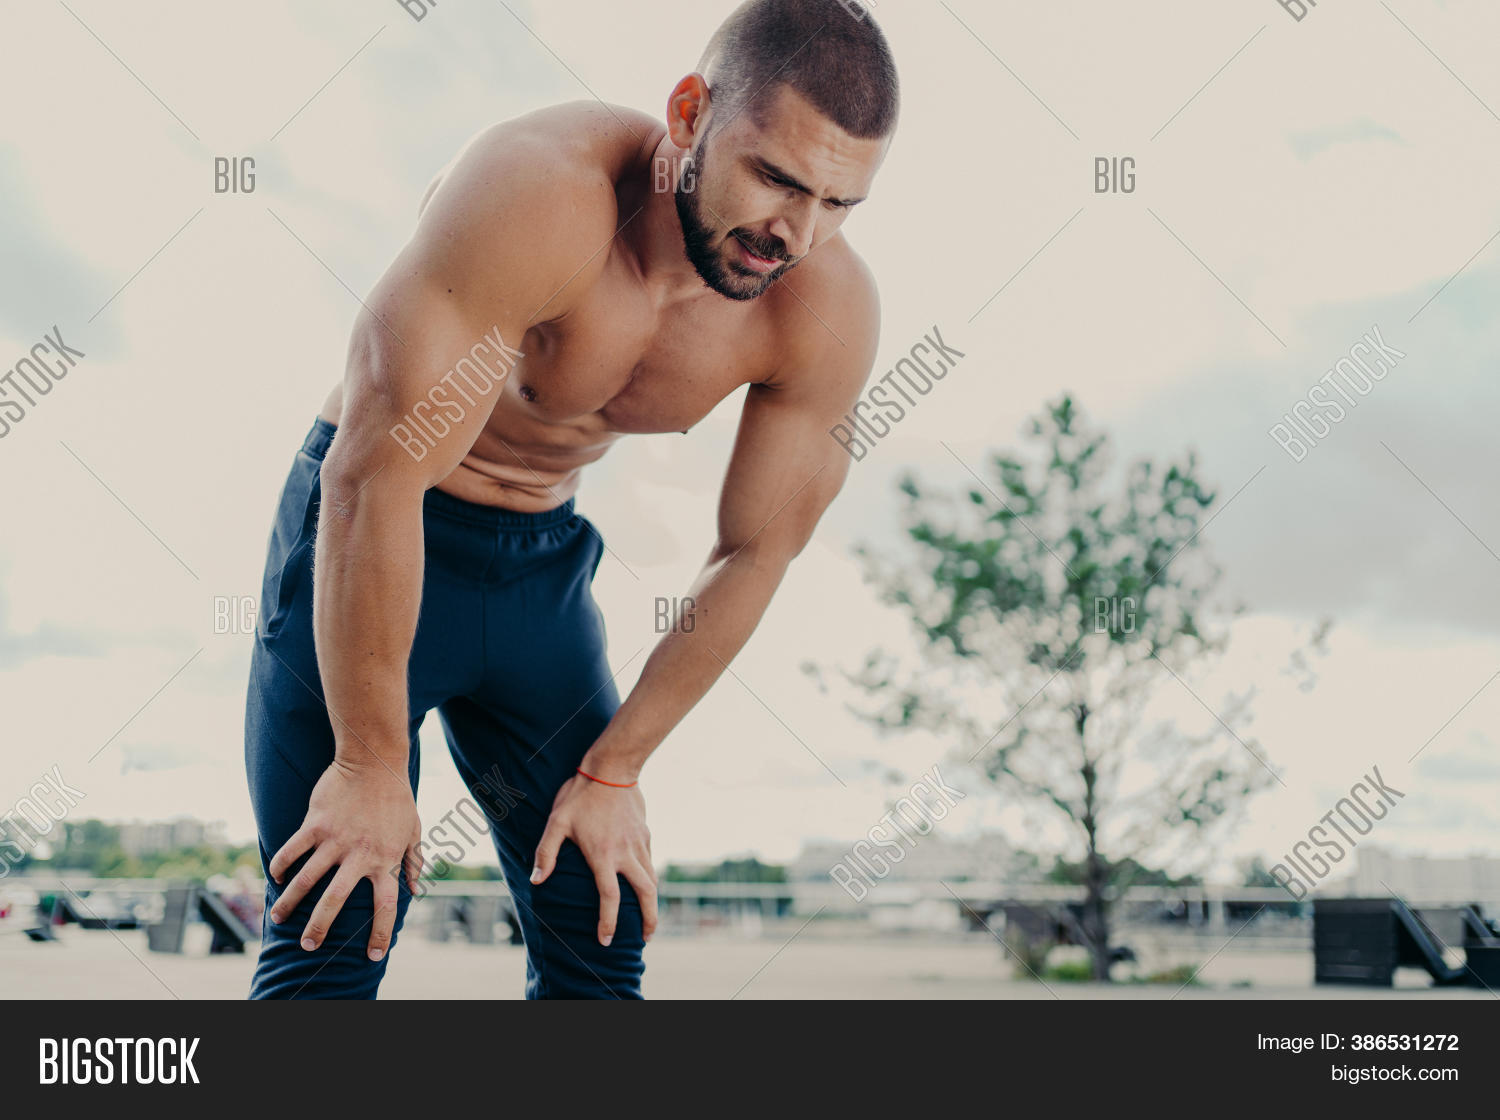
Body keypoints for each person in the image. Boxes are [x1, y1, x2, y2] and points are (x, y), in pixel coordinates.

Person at [244, 0, 899, 998]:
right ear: (690, 113)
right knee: (339, 916)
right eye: (775, 177)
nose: (796, 233)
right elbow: (376, 472)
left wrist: (615, 770)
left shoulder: (822, 309)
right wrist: (372, 765)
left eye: (839, 203)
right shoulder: (537, 194)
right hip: (377, 537)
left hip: (537, 573)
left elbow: (757, 551)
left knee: (602, 920)